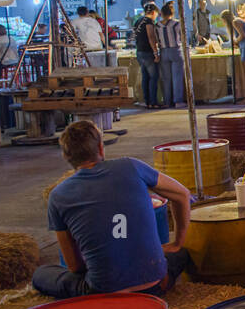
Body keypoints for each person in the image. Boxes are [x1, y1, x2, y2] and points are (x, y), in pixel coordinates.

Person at [32, 120, 191, 298]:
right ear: (100, 148)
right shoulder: (131, 166)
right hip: (155, 285)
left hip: (103, 293)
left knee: (40, 274)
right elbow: (182, 195)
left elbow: (74, 266)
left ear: (66, 156)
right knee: (182, 254)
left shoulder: (58, 196)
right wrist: (177, 243)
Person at [155, 2, 186, 107]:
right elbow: (183, 38)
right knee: (177, 77)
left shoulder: (157, 25)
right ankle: (178, 101)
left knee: (166, 78)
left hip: (163, 51)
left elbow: (157, 40)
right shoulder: (177, 24)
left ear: (162, 13)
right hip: (176, 51)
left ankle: (167, 101)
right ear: (172, 13)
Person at [133, 3, 160, 108]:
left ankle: (147, 101)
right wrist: (155, 52)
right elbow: (151, 37)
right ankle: (153, 102)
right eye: (156, 15)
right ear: (153, 12)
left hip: (139, 51)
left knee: (145, 77)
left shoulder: (138, 21)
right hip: (147, 52)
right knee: (153, 77)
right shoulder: (148, 22)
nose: (156, 17)